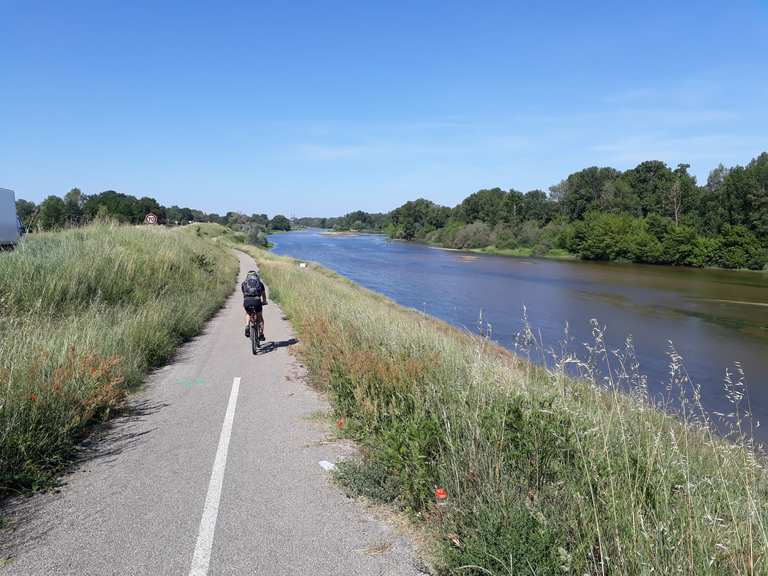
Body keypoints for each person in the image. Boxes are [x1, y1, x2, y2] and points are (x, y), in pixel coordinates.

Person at [242, 270, 267, 340]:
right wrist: (264, 301)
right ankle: (261, 334)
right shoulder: (260, 283)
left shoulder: (244, 283)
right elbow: (263, 295)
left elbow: (244, 294)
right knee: (260, 317)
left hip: (247, 302)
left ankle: (247, 326)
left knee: (248, 313)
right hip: (257, 302)